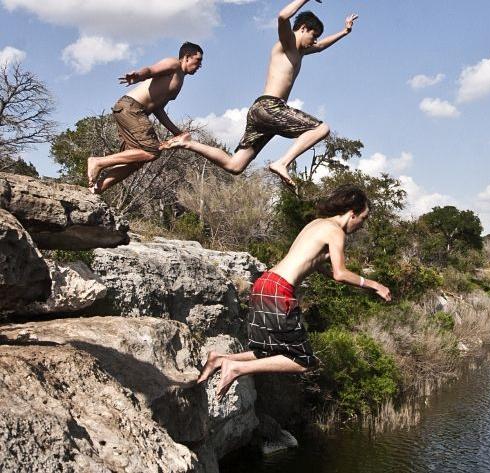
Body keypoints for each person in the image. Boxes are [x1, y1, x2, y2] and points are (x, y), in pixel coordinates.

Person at [197, 185, 392, 397]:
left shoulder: (316, 224)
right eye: (363, 219)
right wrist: (375, 285)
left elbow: (313, 263)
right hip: (280, 290)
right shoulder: (335, 231)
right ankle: (236, 368)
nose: (362, 225)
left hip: (264, 283)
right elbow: (340, 273)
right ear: (352, 213)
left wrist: (327, 266)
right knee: (304, 361)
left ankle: (219, 358)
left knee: (270, 350)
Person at [163, 0, 357, 190]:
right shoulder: (287, 42)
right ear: (303, 28)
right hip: (270, 107)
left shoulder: (301, 52)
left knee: (235, 166)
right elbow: (282, 17)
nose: (314, 41)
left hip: (263, 114)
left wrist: (345, 32)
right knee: (321, 129)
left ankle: (189, 144)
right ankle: (282, 163)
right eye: (313, 36)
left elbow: (322, 46)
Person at [86, 42, 203, 193]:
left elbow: (158, 108)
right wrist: (139, 76)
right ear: (186, 57)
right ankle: (98, 162)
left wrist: (177, 132)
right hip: (131, 108)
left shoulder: (180, 79)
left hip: (132, 110)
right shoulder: (174, 64)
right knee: (152, 150)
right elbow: (151, 70)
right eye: (198, 60)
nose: (200, 65)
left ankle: (95, 189)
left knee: (135, 161)